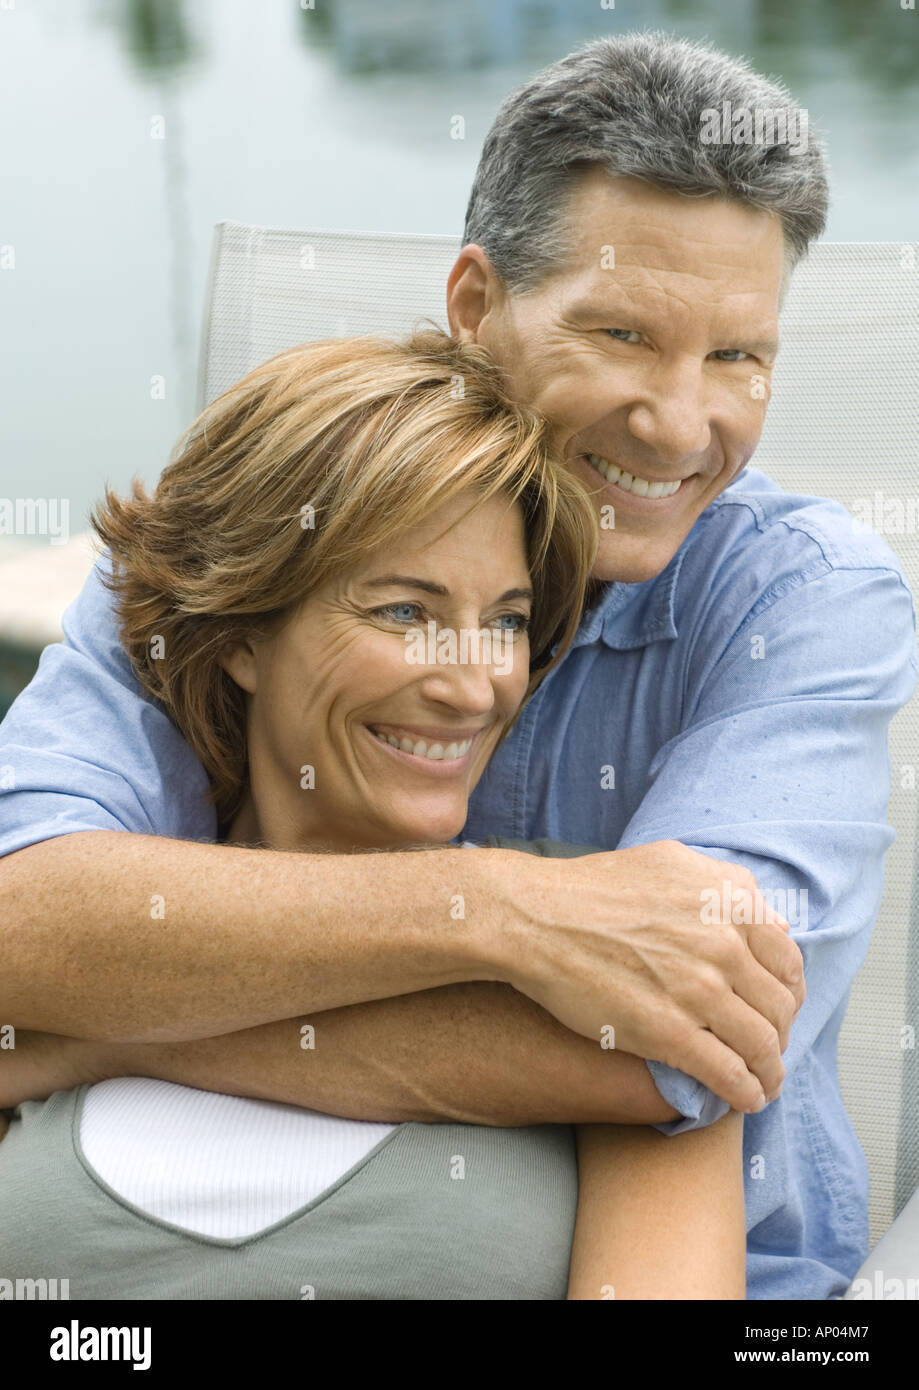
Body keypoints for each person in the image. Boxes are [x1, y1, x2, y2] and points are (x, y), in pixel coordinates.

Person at [0, 33, 915, 1299]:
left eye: (735, 357)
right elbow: (21, 928)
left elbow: (683, 1049)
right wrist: (506, 916)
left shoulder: (800, 601)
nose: (678, 422)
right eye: (620, 334)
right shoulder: (242, 549)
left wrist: (83, 1031)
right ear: (476, 304)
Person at [0, 329, 747, 1300]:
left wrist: (110, 1038)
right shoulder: (91, 940)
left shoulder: (613, 947)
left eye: (508, 621)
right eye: (403, 612)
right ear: (242, 636)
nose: (474, 685)